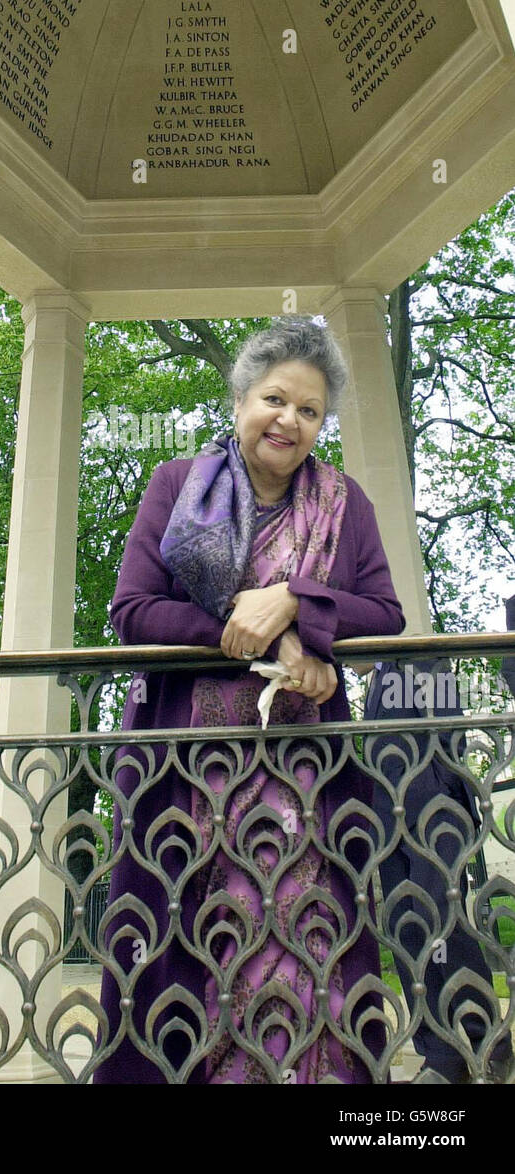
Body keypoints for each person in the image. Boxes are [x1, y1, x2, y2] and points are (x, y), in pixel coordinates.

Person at [92, 317, 406, 1085]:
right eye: (274, 399)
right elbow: (132, 610)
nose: (287, 421)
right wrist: (255, 633)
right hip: (186, 774)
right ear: (238, 400)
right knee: (178, 955)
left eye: (308, 410)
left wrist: (296, 599)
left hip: (306, 778)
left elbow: (384, 611)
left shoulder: (345, 502)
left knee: (312, 940)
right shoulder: (176, 484)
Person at [364, 658, 515, 1084]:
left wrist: (441, 793)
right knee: (405, 931)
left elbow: (450, 734)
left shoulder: (421, 660)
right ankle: (440, 1058)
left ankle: (489, 1044)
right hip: (390, 825)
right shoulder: (376, 681)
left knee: (442, 926)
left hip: (436, 815)